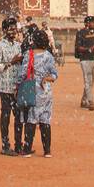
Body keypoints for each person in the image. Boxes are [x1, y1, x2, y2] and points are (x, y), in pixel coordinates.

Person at [19, 28, 58, 157]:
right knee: (45, 119)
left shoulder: (29, 55)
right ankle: (47, 151)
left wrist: (17, 86)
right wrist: (46, 78)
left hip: (32, 90)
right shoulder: (48, 56)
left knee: (31, 118)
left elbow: (22, 74)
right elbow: (54, 75)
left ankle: (27, 148)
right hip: (46, 91)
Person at [0, 18, 24, 155]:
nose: (13, 31)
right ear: (4, 30)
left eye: (14, 28)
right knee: (5, 116)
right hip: (5, 86)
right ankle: (5, 145)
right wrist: (11, 62)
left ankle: (18, 145)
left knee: (19, 116)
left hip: (17, 86)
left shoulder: (18, 45)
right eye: (10, 28)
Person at [73, 15, 94, 110]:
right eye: (92, 22)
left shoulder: (93, 32)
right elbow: (78, 47)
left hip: (93, 59)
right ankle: (90, 102)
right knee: (87, 81)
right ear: (87, 23)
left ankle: (84, 100)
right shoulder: (80, 33)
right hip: (85, 60)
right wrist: (89, 49)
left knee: (91, 82)